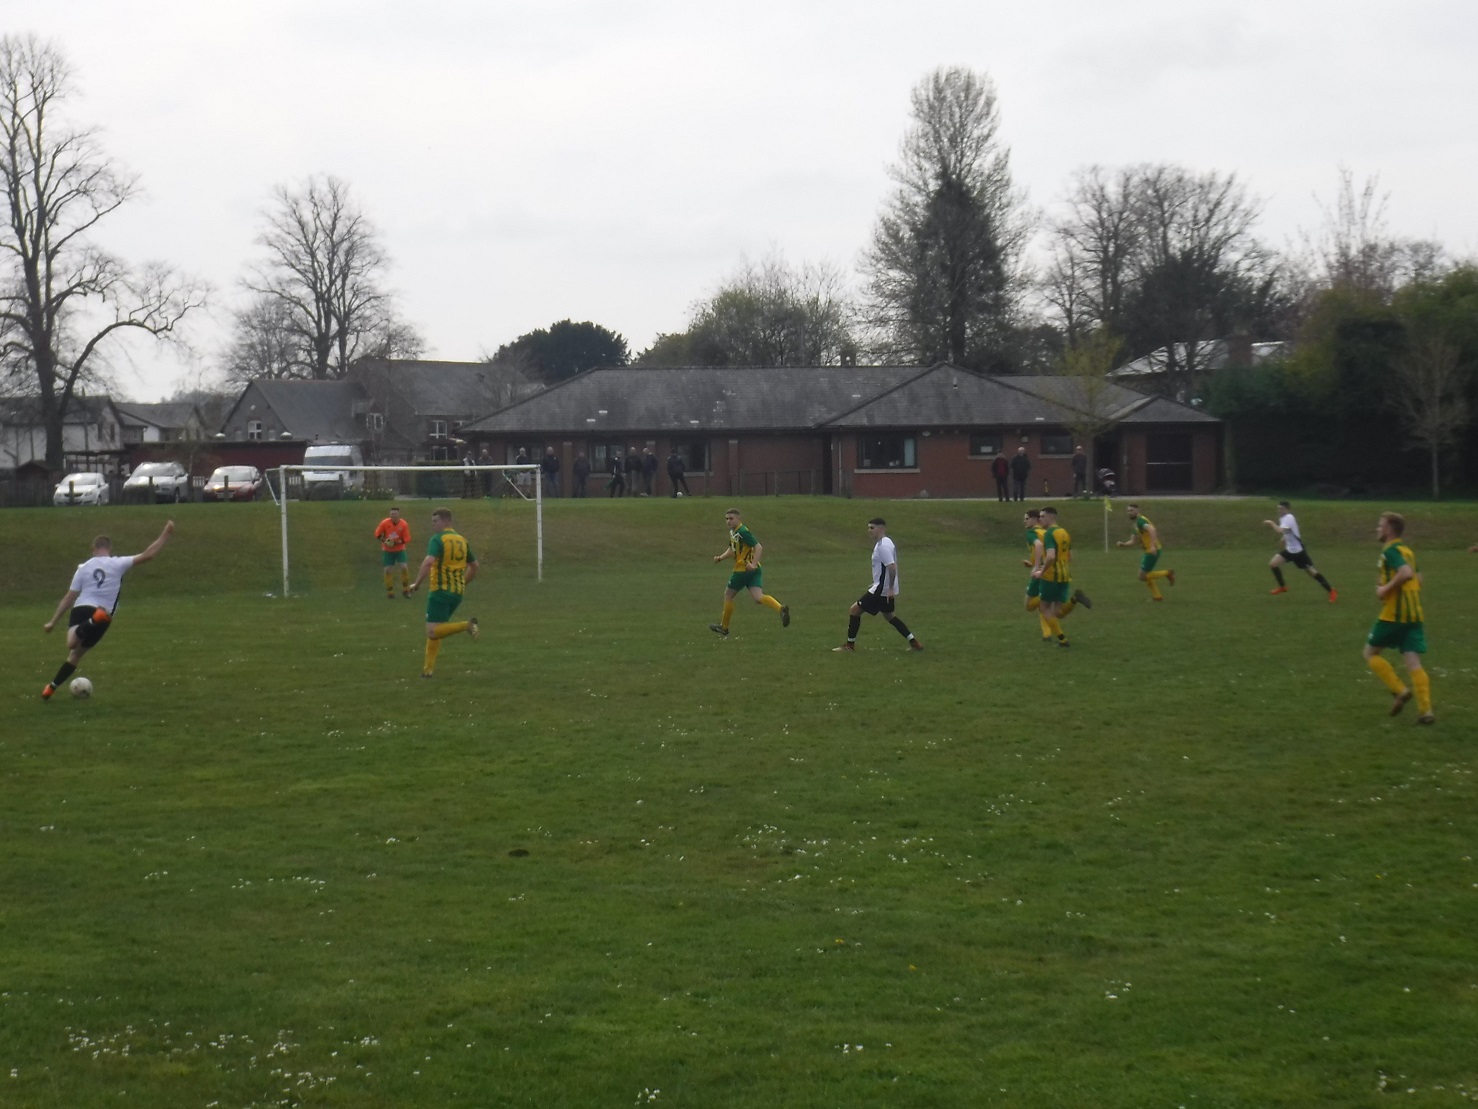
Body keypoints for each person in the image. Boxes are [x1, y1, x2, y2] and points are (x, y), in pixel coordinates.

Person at [42, 521, 175, 700]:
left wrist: (53, 621)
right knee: (76, 654)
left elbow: (69, 597)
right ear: (109, 548)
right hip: (105, 616)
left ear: (93, 548)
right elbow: (148, 555)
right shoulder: (118, 563)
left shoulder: (84, 568)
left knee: (72, 645)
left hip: (83, 608)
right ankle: (51, 687)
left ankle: (52, 687)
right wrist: (165, 534)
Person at [1362, 511, 1433, 724]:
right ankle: (1426, 712)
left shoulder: (1391, 551)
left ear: (1389, 529)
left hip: (1394, 615)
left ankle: (1400, 691)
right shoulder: (1407, 550)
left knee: (1370, 653)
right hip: (1414, 614)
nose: (1377, 528)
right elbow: (1419, 579)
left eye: (1379, 525)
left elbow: (1406, 574)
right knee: (1413, 661)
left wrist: (1385, 590)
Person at [407, 507, 479, 678]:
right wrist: (463, 582)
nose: (433, 525)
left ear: (446, 521)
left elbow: (428, 562)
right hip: (457, 594)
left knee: (432, 631)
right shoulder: (462, 540)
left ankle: (466, 625)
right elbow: (475, 566)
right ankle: (427, 670)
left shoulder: (438, 539)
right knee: (438, 628)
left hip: (440, 591)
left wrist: (417, 584)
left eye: (435, 521)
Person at [833, 517, 922, 652]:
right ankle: (914, 643)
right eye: (869, 528)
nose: (869, 531)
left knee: (854, 610)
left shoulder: (883, 547)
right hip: (883, 588)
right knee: (890, 616)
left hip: (881, 590)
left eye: (872, 528)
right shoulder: (886, 542)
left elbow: (892, 567)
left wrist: (890, 588)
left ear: (881, 528)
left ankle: (849, 645)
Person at [709, 507, 789, 637]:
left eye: (731, 518)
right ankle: (780, 608)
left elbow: (758, 547)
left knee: (728, 595)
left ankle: (724, 627)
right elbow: (732, 549)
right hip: (754, 571)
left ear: (739, 519)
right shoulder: (733, 532)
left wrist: (752, 564)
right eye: (726, 519)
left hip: (743, 570)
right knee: (758, 597)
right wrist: (720, 558)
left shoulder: (742, 532)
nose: (728, 521)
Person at [1035, 505, 1091, 647]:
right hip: (1065, 574)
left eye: (1042, 516)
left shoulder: (1049, 533)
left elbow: (1051, 556)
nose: (1040, 519)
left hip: (1051, 576)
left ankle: (1062, 640)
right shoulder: (1064, 532)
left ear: (1050, 517)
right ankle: (1075, 598)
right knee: (1059, 612)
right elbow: (1070, 556)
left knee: (1044, 607)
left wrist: (1042, 571)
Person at [1264, 501, 1336, 601]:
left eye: (1281, 509)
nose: (1279, 511)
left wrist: (1271, 523)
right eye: (1278, 509)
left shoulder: (1289, 517)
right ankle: (1282, 587)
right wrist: (1284, 538)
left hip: (1299, 552)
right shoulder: (1283, 518)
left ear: (1287, 509)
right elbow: (1287, 531)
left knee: (1312, 572)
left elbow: (1280, 530)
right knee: (1273, 564)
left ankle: (1331, 591)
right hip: (1290, 551)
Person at [1116, 503, 1175, 601]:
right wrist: (1123, 544)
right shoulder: (1136, 524)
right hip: (1150, 550)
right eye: (1128, 511)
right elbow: (1133, 541)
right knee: (1146, 574)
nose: (1129, 513)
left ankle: (1168, 573)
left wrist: (1152, 546)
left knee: (1142, 576)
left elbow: (1152, 529)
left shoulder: (1140, 521)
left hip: (1152, 551)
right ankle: (1157, 596)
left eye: (1131, 510)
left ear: (1137, 511)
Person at [374, 506, 413, 599]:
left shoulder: (403, 524)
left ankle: (406, 590)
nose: (393, 515)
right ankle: (390, 592)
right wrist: (385, 540)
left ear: (398, 514)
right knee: (387, 570)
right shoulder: (385, 523)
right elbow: (377, 533)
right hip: (388, 550)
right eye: (392, 514)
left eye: (395, 514)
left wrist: (397, 542)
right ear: (389, 514)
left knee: (404, 567)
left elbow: (407, 538)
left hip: (400, 550)